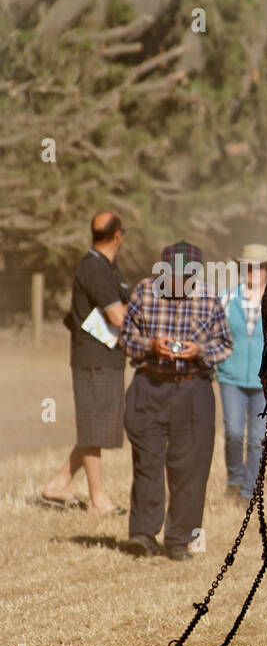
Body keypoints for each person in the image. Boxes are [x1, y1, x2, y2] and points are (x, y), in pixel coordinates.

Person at [119, 242, 232, 559]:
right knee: (147, 462)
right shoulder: (144, 292)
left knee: (191, 467)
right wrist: (151, 345)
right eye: (174, 275)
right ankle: (142, 534)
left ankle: (179, 539)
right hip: (149, 386)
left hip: (193, 389)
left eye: (187, 275)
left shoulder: (209, 297)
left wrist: (200, 351)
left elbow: (224, 344)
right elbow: (126, 340)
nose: (180, 281)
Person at [40, 212, 130, 515]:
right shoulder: (95, 268)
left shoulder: (105, 267)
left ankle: (58, 485)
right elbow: (118, 316)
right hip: (95, 360)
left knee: (98, 426)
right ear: (117, 235)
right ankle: (97, 500)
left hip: (103, 358)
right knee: (95, 428)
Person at [218, 244, 267, 502]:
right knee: (233, 433)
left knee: (257, 438)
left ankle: (248, 490)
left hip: (263, 381)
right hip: (231, 377)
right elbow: (212, 332)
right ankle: (234, 479)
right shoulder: (227, 299)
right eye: (249, 267)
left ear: (266, 270)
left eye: (259, 267)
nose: (254, 271)